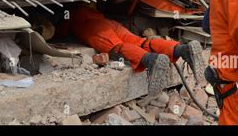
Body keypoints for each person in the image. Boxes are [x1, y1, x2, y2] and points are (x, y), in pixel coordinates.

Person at [58, 6, 204, 96]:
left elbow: (59, 32)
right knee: (141, 42)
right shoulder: (88, 8)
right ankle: (183, 49)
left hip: (93, 28)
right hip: (110, 23)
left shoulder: (70, 14)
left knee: (117, 47)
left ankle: (151, 60)